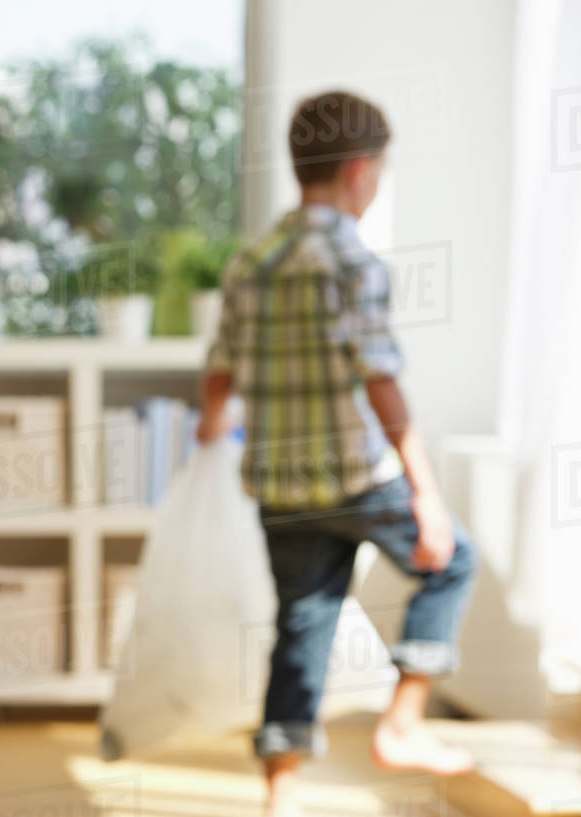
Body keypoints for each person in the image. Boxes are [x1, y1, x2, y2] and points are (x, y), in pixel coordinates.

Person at [196, 90, 478, 817]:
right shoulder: (352, 260)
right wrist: (425, 493)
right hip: (354, 478)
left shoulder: (250, 262)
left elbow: (220, 373)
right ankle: (403, 723)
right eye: (378, 170)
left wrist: (210, 430)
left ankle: (281, 791)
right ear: (359, 170)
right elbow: (381, 383)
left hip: (279, 486)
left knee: (302, 625)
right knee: (453, 561)